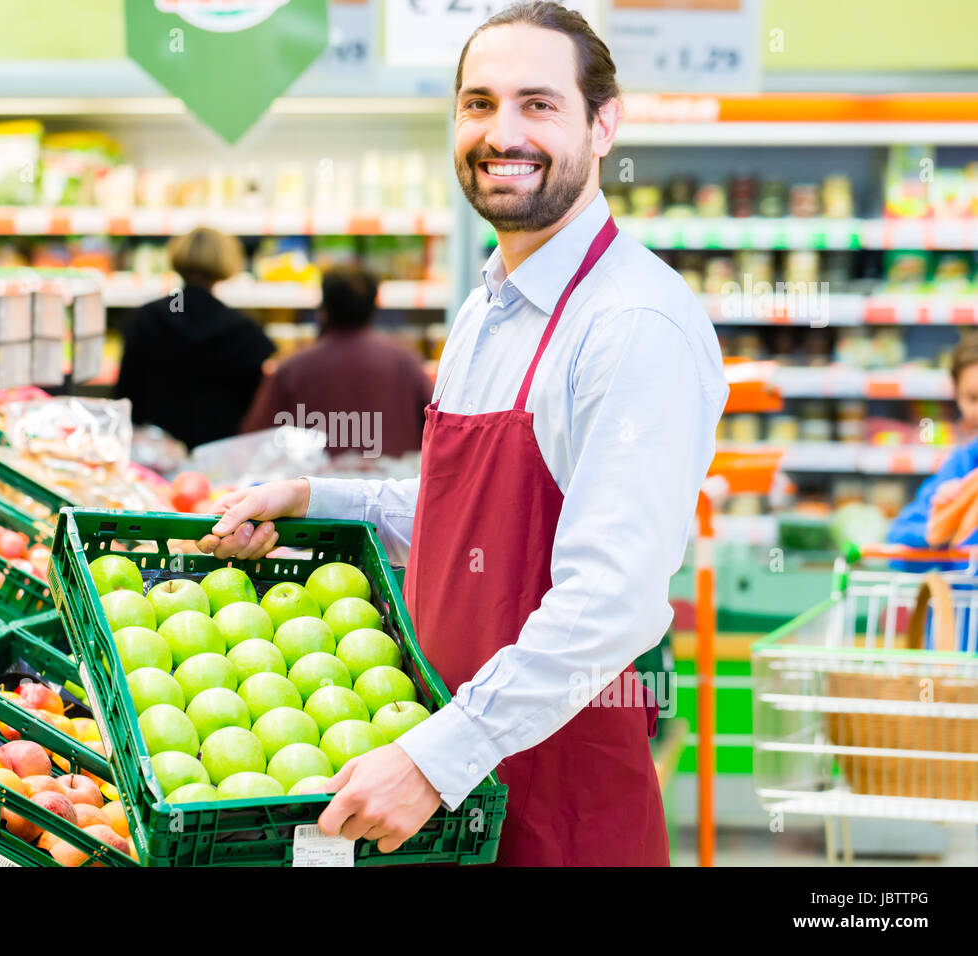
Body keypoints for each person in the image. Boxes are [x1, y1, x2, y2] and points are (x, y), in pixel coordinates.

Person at [198, 1, 727, 866]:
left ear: (603, 126)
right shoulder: (488, 307)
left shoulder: (634, 323)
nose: (501, 133)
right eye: (478, 104)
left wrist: (435, 759)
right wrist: (315, 498)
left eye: (538, 104)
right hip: (439, 783)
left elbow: (614, 600)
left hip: (549, 800)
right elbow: (477, 517)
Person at [240, 265, 431, 458]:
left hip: (313, 475)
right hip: (392, 473)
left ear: (324, 307)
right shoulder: (405, 362)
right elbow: (436, 424)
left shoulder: (292, 368)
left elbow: (253, 439)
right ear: (373, 306)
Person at [114, 227, 274, 449]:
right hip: (218, 455)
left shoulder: (146, 320)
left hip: (154, 453)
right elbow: (254, 410)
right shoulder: (244, 331)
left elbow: (126, 395)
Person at [887, 337, 978, 553]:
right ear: (956, 395)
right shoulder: (962, 464)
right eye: (973, 398)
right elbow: (897, 543)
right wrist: (940, 523)